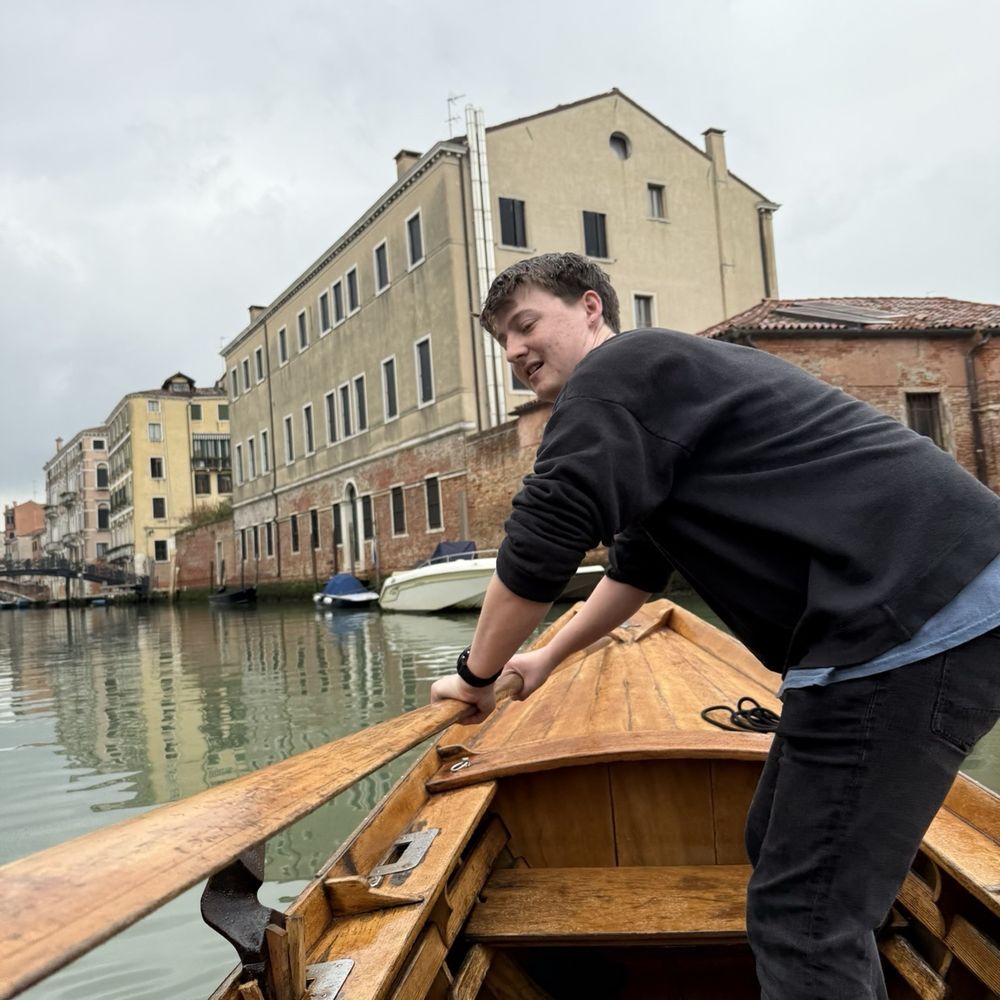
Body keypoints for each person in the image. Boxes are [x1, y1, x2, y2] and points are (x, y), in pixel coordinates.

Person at [430, 252, 1000, 999]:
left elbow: (541, 541)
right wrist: (543, 660)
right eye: (501, 340)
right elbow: (635, 569)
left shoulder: (617, 373)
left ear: (592, 308)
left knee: (803, 916)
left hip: (908, 618)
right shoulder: (662, 389)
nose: (513, 351)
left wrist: (474, 678)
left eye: (525, 324)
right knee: (775, 845)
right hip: (910, 614)